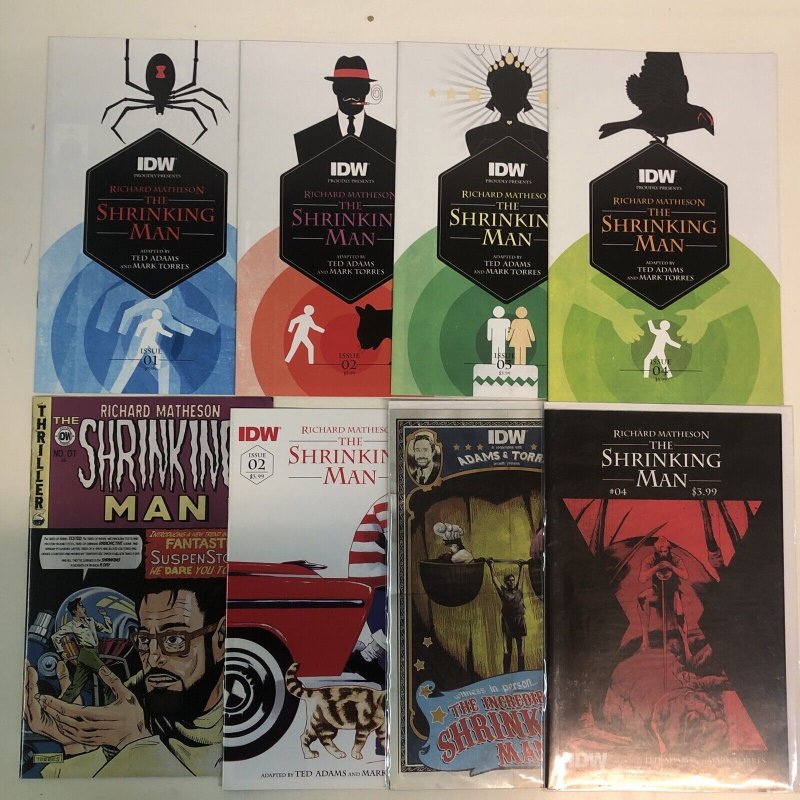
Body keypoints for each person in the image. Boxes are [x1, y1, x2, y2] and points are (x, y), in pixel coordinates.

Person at [24, 579, 226, 777]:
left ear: (221, 638)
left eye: (174, 639)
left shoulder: (238, 726)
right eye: (144, 639)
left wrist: (136, 742)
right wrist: (78, 746)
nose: (153, 658)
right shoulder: (132, 704)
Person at [294, 55, 396, 163]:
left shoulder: (389, 138)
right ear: (334, 88)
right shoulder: (308, 139)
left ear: (367, 89)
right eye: (344, 86)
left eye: (357, 86)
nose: (351, 93)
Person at [465, 50, 547, 157]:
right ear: (493, 96)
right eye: (501, 92)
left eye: (516, 92)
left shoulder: (541, 137)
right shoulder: (475, 135)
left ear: (524, 97)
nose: (509, 97)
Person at [51, 597, 114, 705]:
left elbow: (108, 630)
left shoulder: (91, 621)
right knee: (107, 679)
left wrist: (105, 616)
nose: (84, 608)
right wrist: (61, 651)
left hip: (94, 653)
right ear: (74, 611)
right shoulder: (72, 625)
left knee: (76, 686)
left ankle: (60, 705)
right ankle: (111, 706)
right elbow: (55, 637)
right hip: (87, 653)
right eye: (81, 606)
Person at [638, 536, 691, 659]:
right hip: (657, 590)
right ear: (656, 551)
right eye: (660, 552)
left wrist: (671, 567)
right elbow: (642, 578)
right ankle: (645, 640)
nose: (663, 554)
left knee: (680, 613)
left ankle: (687, 648)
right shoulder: (649, 560)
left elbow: (685, 575)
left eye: (665, 551)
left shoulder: (676, 559)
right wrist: (656, 567)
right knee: (642, 598)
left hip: (672, 592)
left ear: (669, 550)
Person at [488, 559, 527, 672]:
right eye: (509, 581)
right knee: (507, 650)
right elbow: (495, 580)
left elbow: (521, 579)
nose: (512, 582)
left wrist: (521, 566)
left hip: (520, 620)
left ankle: (521, 673)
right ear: (505, 582)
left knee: (521, 650)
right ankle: (506, 673)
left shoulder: (518, 590)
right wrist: (491, 566)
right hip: (508, 622)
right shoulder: (503, 592)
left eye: (513, 580)